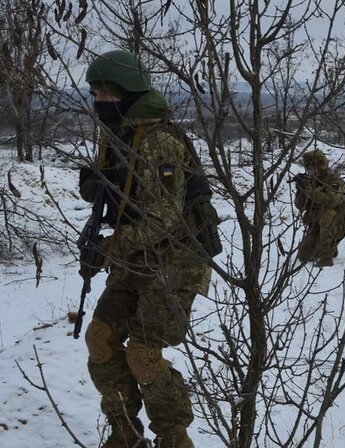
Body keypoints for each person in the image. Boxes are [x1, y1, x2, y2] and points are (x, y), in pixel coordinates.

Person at [78, 49, 211, 448]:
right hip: (135, 258)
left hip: (175, 262)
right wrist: (96, 186)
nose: (97, 102)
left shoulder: (159, 140)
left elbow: (163, 217)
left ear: (127, 93)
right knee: (100, 337)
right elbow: (119, 191)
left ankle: (173, 437)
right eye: (95, 94)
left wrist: (109, 250)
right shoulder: (119, 133)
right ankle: (125, 431)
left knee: (142, 353)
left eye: (104, 95)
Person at [293, 150, 345, 266]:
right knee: (304, 255)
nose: (309, 171)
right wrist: (301, 189)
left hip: (338, 223)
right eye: (308, 168)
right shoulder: (311, 182)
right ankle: (326, 247)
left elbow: (329, 201)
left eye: (312, 167)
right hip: (317, 224)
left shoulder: (335, 182)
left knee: (326, 213)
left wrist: (310, 191)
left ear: (319, 166)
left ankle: (327, 254)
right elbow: (300, 206)